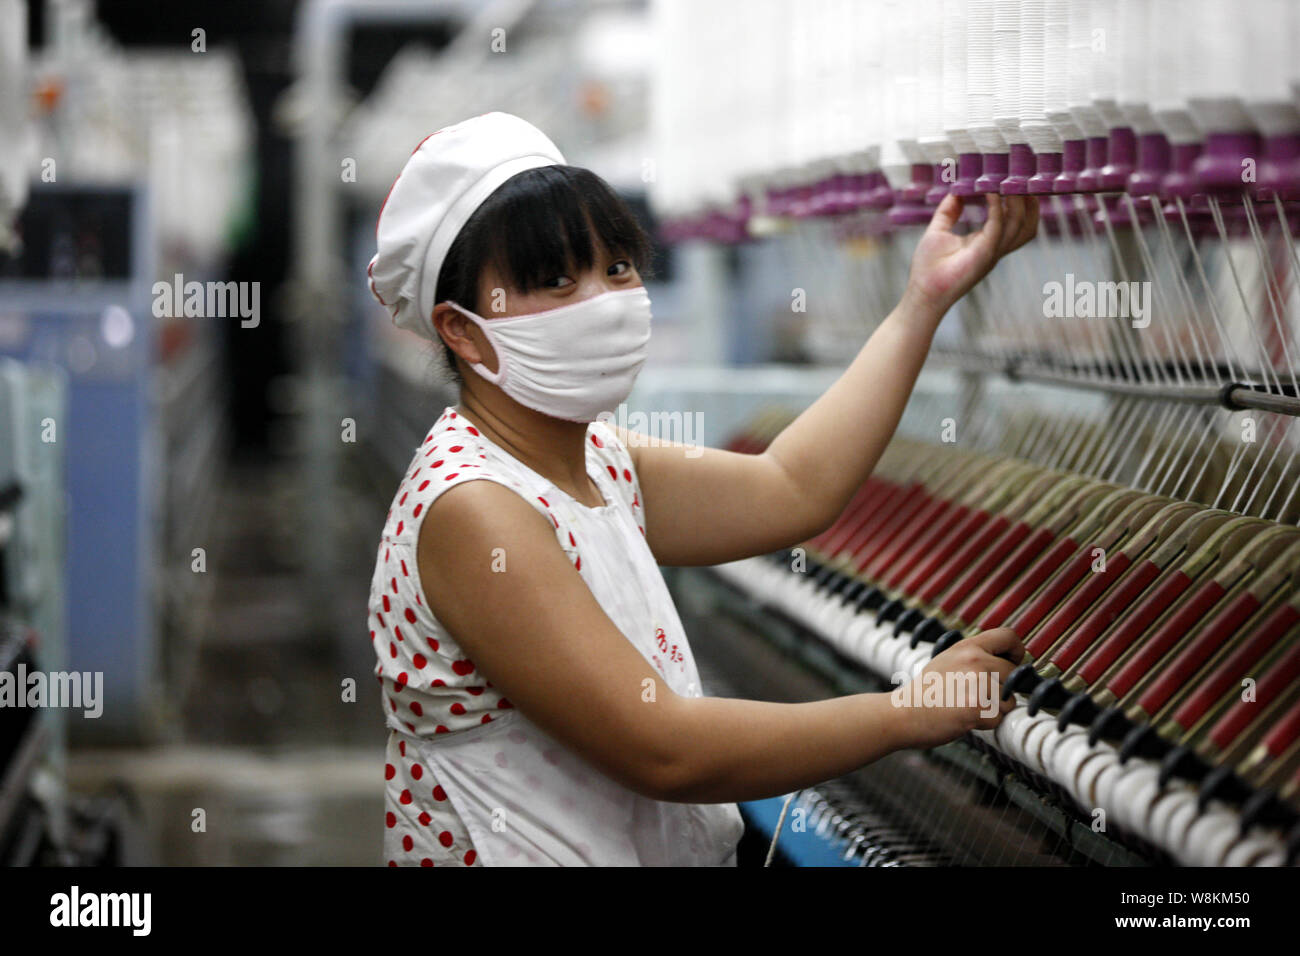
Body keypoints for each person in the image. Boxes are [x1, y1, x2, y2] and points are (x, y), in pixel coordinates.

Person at [365, 112, 1040, 866]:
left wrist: (924, 300)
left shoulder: (596, 459)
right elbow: (666, 750)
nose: (603, 299)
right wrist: (909, 712)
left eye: (617, 269)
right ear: (461, 329)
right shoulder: (475, 507)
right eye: (556, 281)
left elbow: (792, 488)